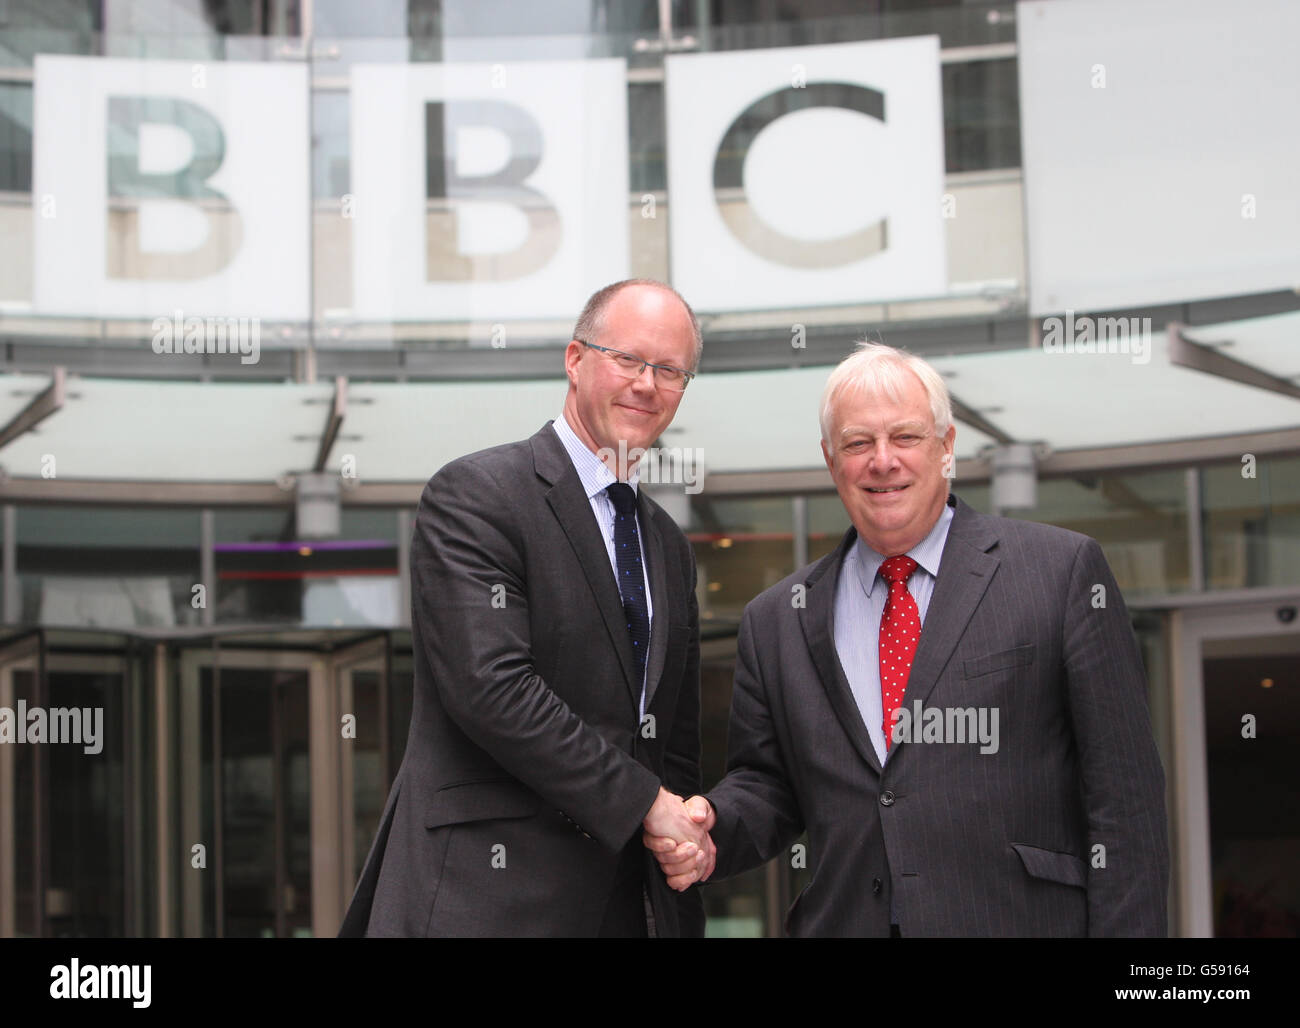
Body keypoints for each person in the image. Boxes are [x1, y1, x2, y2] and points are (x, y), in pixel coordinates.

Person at [646, 342, 1169, 937]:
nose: (883, 461)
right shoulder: (777, 619)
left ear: (946, 448)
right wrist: (711, 826)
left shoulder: (1059, 572)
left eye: (906, 437)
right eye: (858, 443)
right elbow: (768, 787)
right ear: (830, 459)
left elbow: (1126, 803)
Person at [341, 279, 708, 937]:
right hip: (484, 901)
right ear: (575, 359)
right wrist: (645, 803)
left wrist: (686, 835)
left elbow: (670, 737)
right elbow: (493, 689)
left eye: (671, 370)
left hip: (625, 908)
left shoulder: (668, 547)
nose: (648, 384)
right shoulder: (478, 496)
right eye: (628, 359)